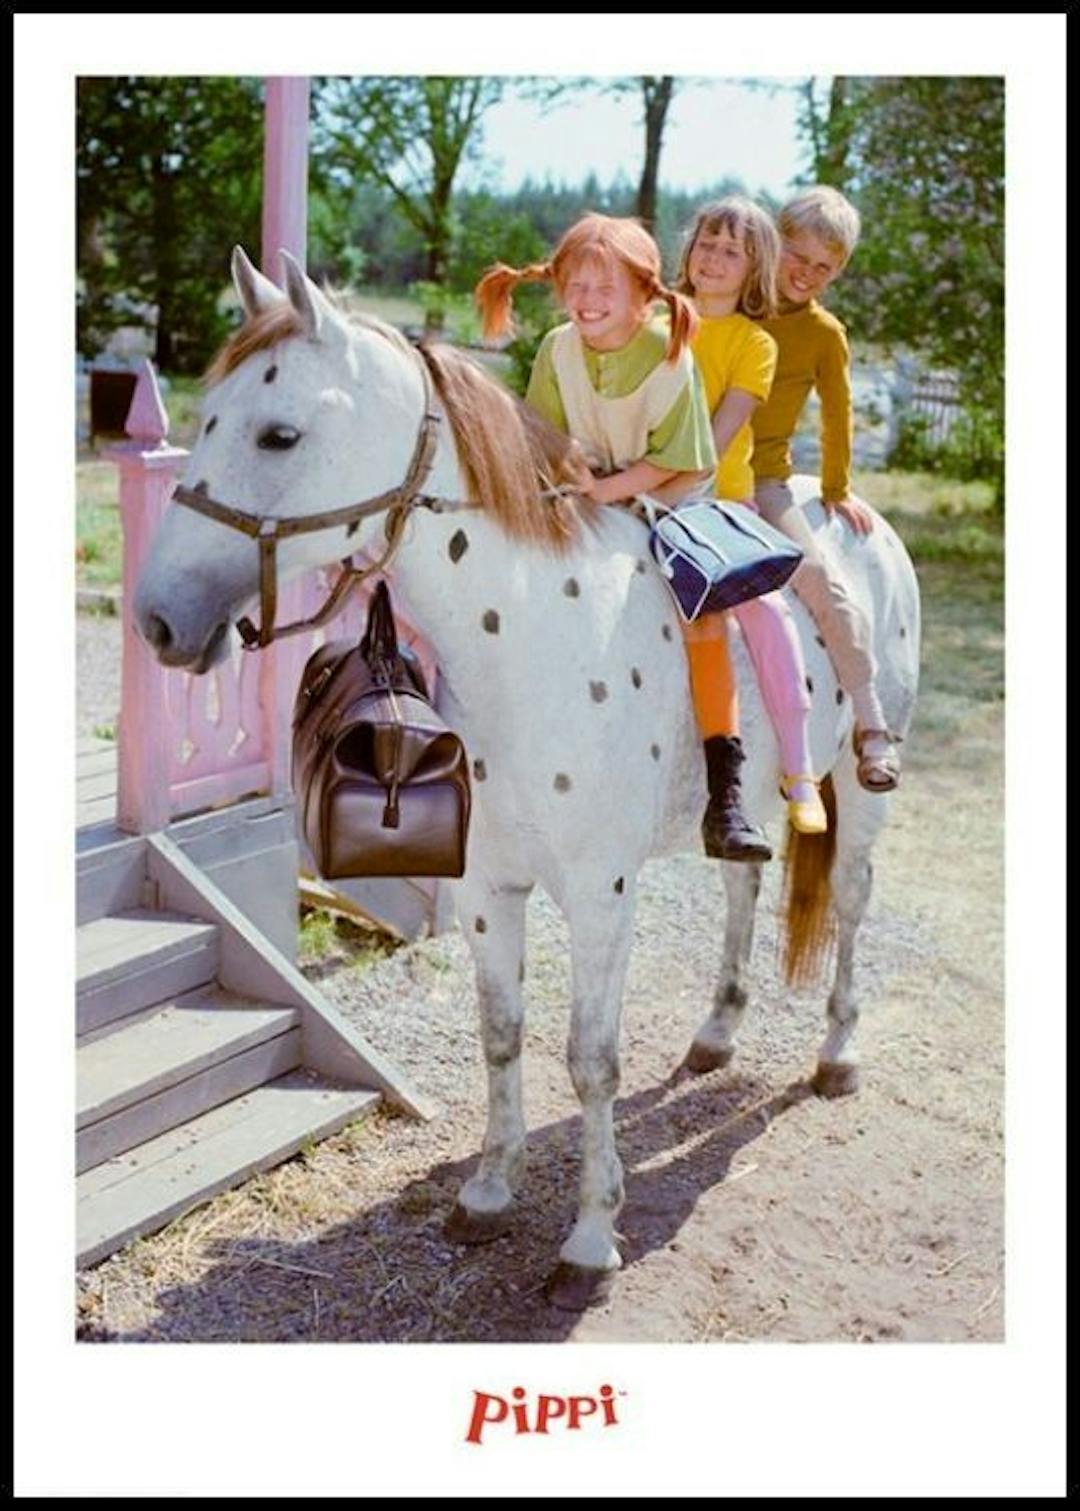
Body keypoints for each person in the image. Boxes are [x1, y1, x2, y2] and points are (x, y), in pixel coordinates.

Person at [475, 212, 775, 861]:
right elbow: (545, 434)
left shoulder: (670, 356)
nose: (586, 301)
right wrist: (569, 471)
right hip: (593, 484)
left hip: (669, 496)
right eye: (576, 286)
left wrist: (606, 490)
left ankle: (725, 790)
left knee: (704, 616)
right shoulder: (558, 348)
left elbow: (676, 459)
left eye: (604, 288)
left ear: (644, 296)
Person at [676, 194, 828, 834]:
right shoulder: (657, 320)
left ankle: (798, 768)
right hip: (641, 495)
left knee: (764, 610)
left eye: (730, 251)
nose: (713, 258)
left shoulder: (754, 343)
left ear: (754, 267)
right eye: (706, 244)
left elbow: (715, 438)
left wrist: (666, 487)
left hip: (717, 505)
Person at [751, 185, 901, 791]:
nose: (807, 274)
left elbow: (838, 417)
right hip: (687, 471)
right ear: (774, 242)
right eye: (798, 256)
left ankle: (870, 722)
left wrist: (836, 487)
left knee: (821, 583)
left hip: (763, 480)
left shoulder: (824, 334)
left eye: (825, 267)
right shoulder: (729, 302)